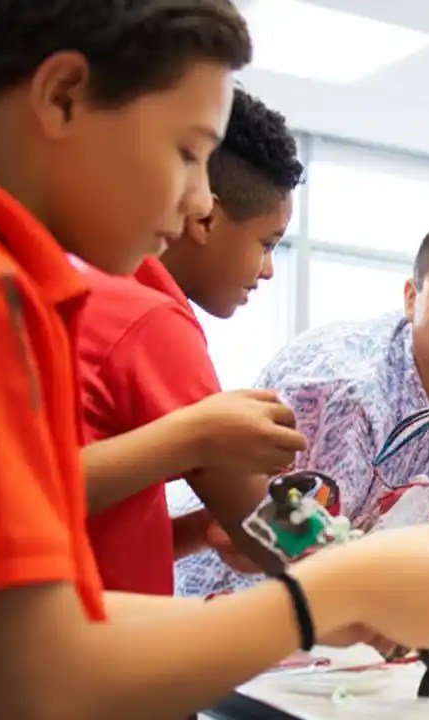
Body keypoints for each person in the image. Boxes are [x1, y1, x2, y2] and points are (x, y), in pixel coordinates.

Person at [0, 3, 429, 718]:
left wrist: (324, 598)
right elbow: (43, 683)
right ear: (63, 97)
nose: (198, 201)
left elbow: (44, 618)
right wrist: (328, 594)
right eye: (187, 152)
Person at [175, 212, 429, 597]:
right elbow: (300, 549)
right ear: (412, 298)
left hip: (380, 598)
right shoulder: (338, 385)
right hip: (232, 596)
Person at [79, 86, 305, 595]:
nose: (268, 270)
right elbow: (272, 532)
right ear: (205, 217)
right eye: (266, 244)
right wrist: (362, 558)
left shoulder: (102, 287)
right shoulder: (151, 317)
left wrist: (198, 530)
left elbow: (78, 521)